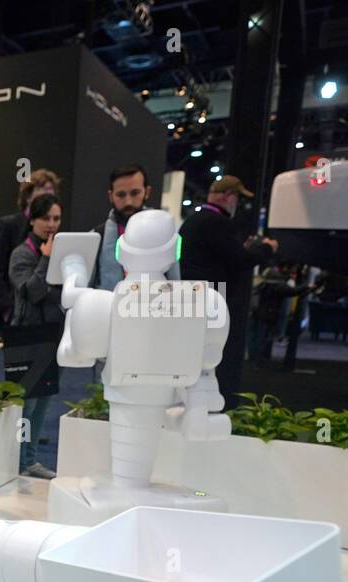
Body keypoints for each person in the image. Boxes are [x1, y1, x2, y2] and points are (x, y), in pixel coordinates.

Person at [178, 175, 277, 406]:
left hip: (195, 298)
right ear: (228, 196)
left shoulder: (197, 220)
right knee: (212, 358)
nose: (238, 205)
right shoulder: (216, 222)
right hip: (210, 300)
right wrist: (265, 249)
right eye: (237, 198)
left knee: (197, 358)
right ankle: (206, 407)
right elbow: (240, 259)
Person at [7, 193, 65, 479]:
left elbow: (61, 294)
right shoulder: (22, 253)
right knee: (25, 406)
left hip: (53, 335)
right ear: (33, 220)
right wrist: (44, 260)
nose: (52, 224)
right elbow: (33, 291)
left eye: (56, 218)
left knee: (43, 402)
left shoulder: (60, 252)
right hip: (26, 337)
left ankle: (29, 462)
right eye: (46, 218)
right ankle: (15, 463)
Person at [0, 168, 60, 345]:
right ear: (28, 196)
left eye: (50, 190)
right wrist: (10, 308)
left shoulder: (54, 233)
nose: (47, 195)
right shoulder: (9, 225)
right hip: (19, 312)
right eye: (42, 189)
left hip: (49, 318)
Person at [91, 164, 179, 289]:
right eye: (121, 195)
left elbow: (174, 281)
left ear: (147, 192)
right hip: (108, 305)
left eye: (135, 193)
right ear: (111, 196)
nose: (128, 202)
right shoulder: (97, 236)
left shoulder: (164, 233)